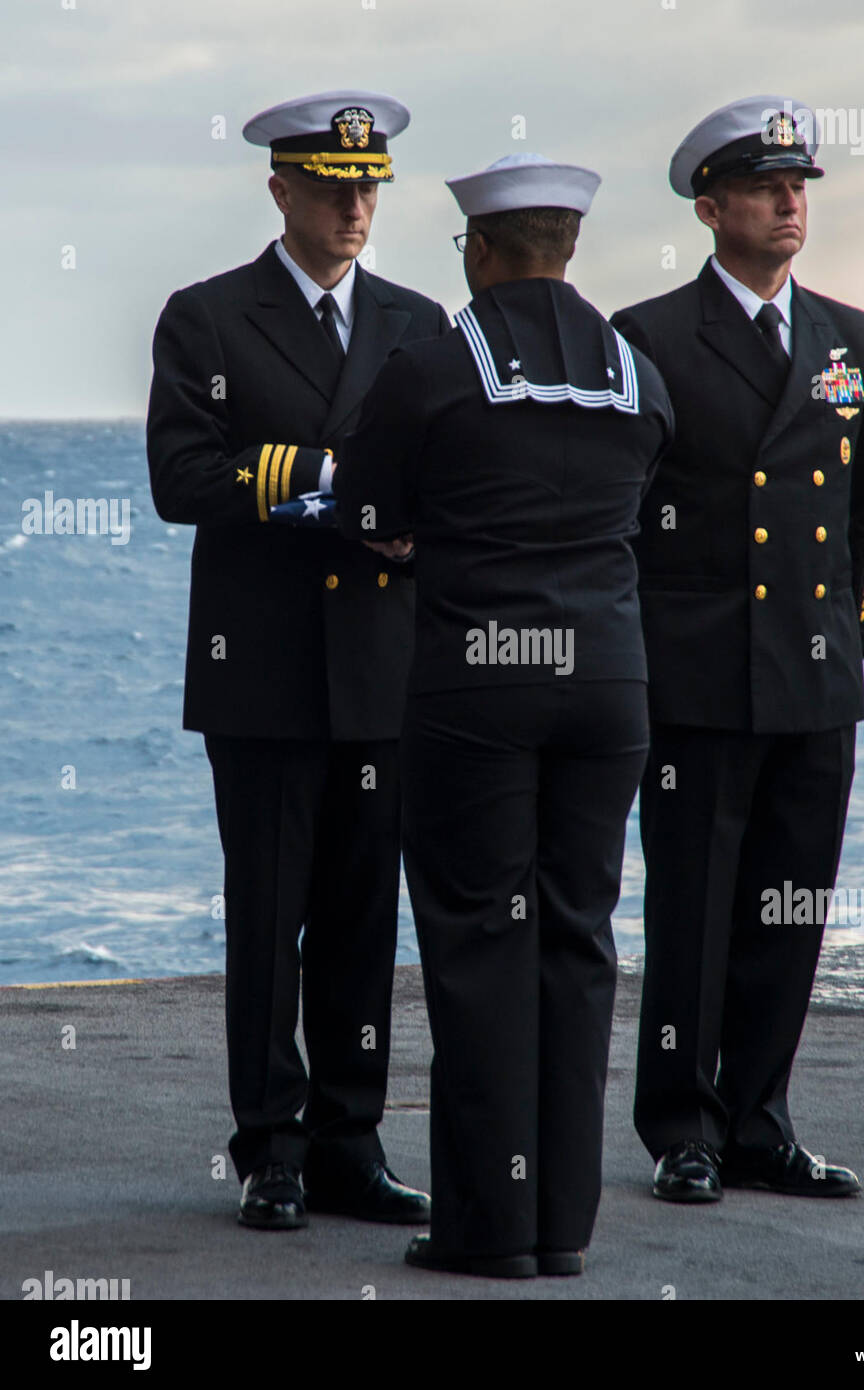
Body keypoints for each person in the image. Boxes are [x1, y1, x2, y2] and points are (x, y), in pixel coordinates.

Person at [334, 153, 675, 1276]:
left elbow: (371, 505)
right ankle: (560, 1227)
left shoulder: (433, 367)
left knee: (480, 940)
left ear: (479, 251)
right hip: (610, 683)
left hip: (481, 677)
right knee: (578, 938)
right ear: (566, 249)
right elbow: (649, 505)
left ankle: (487, 1227)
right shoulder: (639, 370)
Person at [146, 89, 449, 1230]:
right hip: (265, 668)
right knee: (269, 920)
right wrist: (331, 485)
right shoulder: (210, 318)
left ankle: (348, 1143)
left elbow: (454, 471)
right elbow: (181, 478)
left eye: (367, 187)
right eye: (331, 187)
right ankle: (269, 1149)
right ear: (280, 190)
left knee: (367, 923)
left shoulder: (422, 323)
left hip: (381, 667)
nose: (354, 206)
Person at [610, 95, 864, 1204]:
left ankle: (761, 1119)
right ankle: (683, 1124)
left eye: (800, 187)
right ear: (709, 205)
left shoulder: (846, 336)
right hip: (693, 674)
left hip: (812, 673)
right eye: (768, 186)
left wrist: (846, 642)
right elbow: (623, 518)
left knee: (792, 907)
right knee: (692, 910)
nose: (790, 202)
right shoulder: (648, 338)